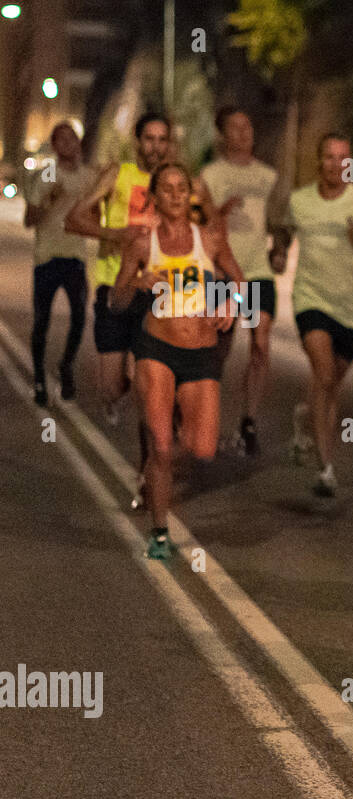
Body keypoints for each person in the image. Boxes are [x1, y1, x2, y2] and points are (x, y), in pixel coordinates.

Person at [111, 163, 242, 558]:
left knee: (202, 448)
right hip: (157, 350)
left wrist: (233, 304)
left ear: (191, 195)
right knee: (163, 446)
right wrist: (137, 282)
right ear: (154, 196)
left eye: (181, 187)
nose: (174, 194)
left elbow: (240, 280)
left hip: (201, 353)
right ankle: (160, 532)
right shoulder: (141, 242)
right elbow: (116, 300)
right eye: (166, 188)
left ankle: (152, 470)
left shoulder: (211, 239)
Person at [272, 133, 353, 497]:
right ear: (319, 162)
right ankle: (326, 467)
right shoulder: (300, 201)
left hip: (350, 309)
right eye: (328, 157)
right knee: (323, 376)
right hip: (311, 299)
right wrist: (278, 253)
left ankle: (305, 418)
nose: (336, 164)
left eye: (343, 158)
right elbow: (284, 232)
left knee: (332, 384)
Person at [66, 113, 170, 469]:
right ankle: (116, 397)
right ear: (138, 142)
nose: (155, 146)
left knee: (148, 385)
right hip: (115, 287)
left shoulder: (173, 183)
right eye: (150, 139)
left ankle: (147, 470)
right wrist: (116, 234)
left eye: (162, 140)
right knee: (111, 386)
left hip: (157, 293)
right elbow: (74, 218)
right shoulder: (118, 174)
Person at [198, 106, 286, 455]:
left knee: (261, 344)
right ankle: (205, 414)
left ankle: (249, 420)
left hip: (258, 271)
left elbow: (281, 220)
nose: (243, 132)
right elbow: (200, 223)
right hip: (223, 271)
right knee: (218, 350)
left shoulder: (268, 176)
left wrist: (279, 248)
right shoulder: (211, 175)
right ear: (223, 134)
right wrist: (220, 212)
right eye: (235, 127)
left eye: (247, 125)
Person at [24, 121, 93, 406]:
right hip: (47, 258)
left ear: (79, 143)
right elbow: (30, 220)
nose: (68, 144)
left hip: (75, 258)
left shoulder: (88, 176)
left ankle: (66, 365)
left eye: (72, 139)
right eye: (61, 140)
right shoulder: (48, 174)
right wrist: (49, 201)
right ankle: (39, 378)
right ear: (54, 146)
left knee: (79, 316)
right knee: (42, 320)